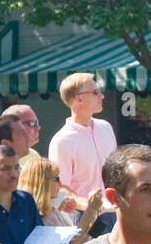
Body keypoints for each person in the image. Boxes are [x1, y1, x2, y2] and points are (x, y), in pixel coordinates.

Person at [48, 73, 118, 211]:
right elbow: (60, 187)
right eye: (96, 92)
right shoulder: (61, 142)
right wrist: (89, 206)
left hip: (115, 209)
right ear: (78, 98)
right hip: (83, 215)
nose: (102, 96)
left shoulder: (106, 127)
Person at [19, 156, 78, 228]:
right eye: (57, 179)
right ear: (43, 182)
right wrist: (90, 210)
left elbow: (78, 238)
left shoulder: (52, 210)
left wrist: (92, 211)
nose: (61, 183)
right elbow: (77, 239)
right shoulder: (28, 217)